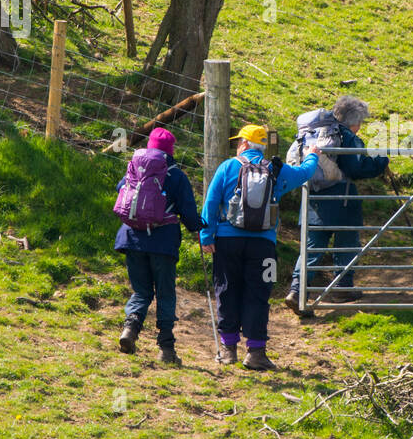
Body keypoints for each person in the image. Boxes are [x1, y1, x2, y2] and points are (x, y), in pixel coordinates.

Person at [200, 124, 321, 372]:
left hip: (227, 241)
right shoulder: (278, 170)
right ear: (262, 147)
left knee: (226, 289)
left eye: (238, 142)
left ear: (244, 144)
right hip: (264, 245)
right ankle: (256, 352)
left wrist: (206, 236)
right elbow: (305, 173)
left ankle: (228, 349)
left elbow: (211, 203)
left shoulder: (227, 167)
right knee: (259, 293)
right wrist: (313, 154)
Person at [285, 96, 390, 315]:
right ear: (356, 121)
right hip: (342, 202)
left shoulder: (313, 135)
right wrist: (381, 160)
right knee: (347, 243)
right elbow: (358, 167)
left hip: (312, 200)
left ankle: (297, 290)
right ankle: (342, 287)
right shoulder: (347, 137)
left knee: (312, 247)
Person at [114, 126, 203, 364]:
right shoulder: (176, 174)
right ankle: (166, 348)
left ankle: (130, 329)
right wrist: (198, 227)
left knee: (141, 290)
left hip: (131, 238)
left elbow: (120, 190)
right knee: (165, 293)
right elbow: (188, 213)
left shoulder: (134, 166)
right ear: (170, 151)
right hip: (163, 242)